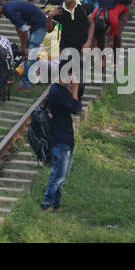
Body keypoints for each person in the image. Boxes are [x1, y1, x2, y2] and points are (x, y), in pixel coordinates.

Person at [42, 79, 83, 210]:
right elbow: (75, 108)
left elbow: (77, 105)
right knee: (59, 173)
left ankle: (55, 203)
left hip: (66, 137)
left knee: (63, 173)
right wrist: (74, 91)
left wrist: (74, 91)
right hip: (60, 138)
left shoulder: (63, 91)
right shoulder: (56, 91)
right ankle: (47, 202)